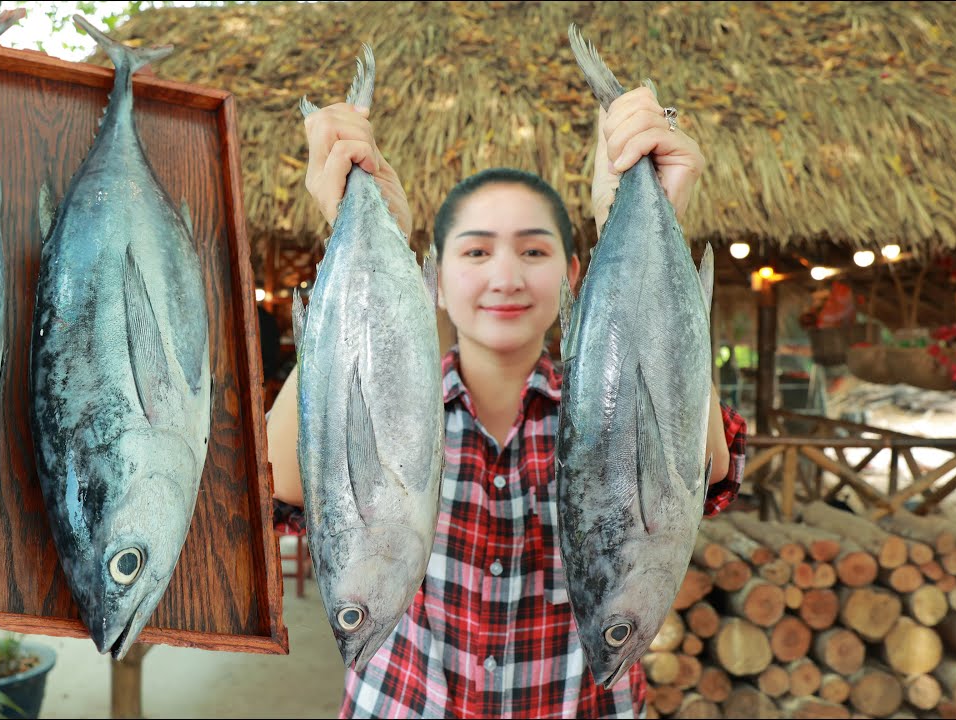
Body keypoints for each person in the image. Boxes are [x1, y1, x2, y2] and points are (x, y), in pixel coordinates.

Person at [265, 85, 747, 719]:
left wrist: (642, 219)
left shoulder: (596, 407)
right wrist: (361, 236)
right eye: (475, 250)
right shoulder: (405, 405)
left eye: (533, 250)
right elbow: (275, 487)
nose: (505, 277)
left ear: (575, 275)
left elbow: (707, 471)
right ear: (432, 278)